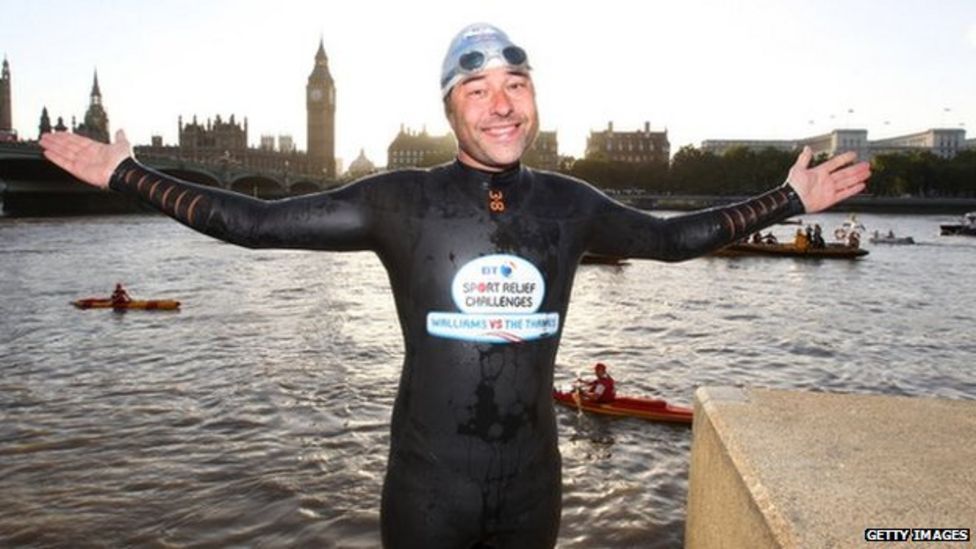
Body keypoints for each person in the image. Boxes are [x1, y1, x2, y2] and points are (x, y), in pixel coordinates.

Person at [39, 22, 870, 549]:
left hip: (534, 491)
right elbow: (254, 224)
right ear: (450, 108)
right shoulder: (401, 201)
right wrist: (131, 175)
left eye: (516, 86)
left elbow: (671, 239)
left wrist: (786, 200)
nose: (500, 105)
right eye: (478, 90)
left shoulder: (571, 206)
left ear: (535, 98)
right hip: (427, 493)